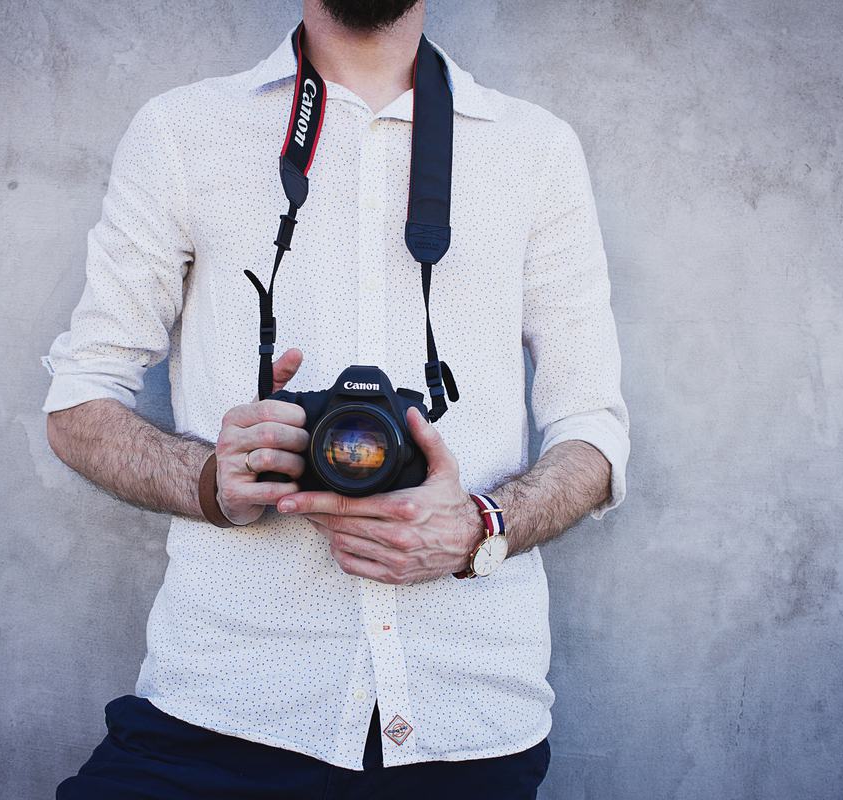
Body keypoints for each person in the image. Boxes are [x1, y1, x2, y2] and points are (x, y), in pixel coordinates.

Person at [42, 0, 630, 796]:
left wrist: (477, 529)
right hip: (225, 703)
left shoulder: (534, 148)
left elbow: (594, 425)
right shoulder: (184, 130)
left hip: (465, 717)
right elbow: (81, 399)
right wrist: (213, 478)